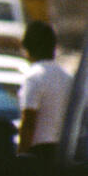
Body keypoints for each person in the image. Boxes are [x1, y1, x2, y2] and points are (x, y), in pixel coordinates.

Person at [17, 20, 73, 160]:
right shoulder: (67, 77)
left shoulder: (34, 77)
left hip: (39, 151)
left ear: (28, 47)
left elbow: (29, 119)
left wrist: (22, 154)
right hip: (63, 149)